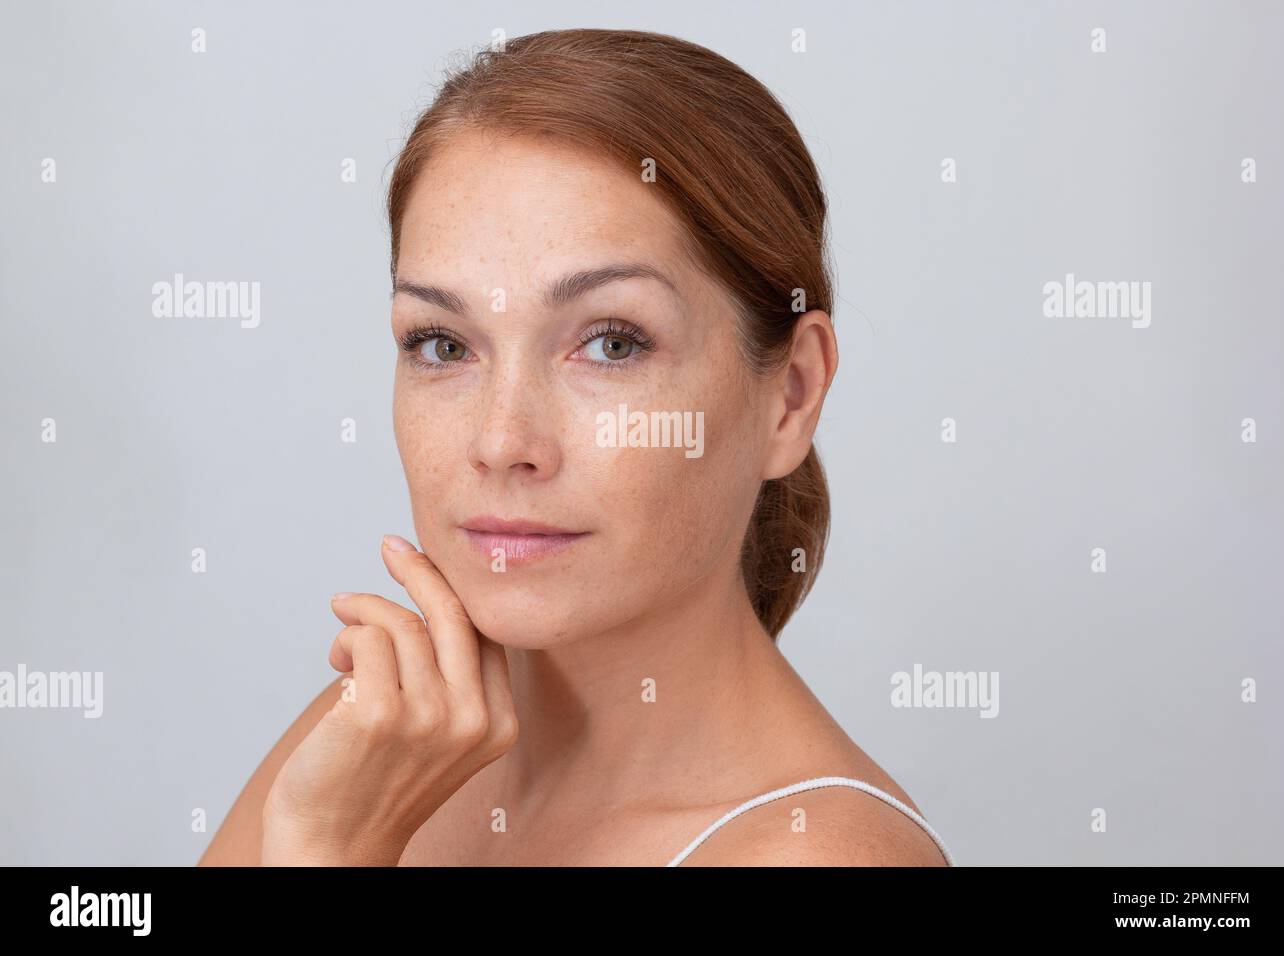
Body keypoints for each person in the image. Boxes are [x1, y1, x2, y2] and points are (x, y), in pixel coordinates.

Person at [199, 27, 954, 867]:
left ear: (791, 396)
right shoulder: (381, 745)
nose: (501, 442)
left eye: (613, 344)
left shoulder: (818, 858)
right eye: (444, 344)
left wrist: (329, 849)